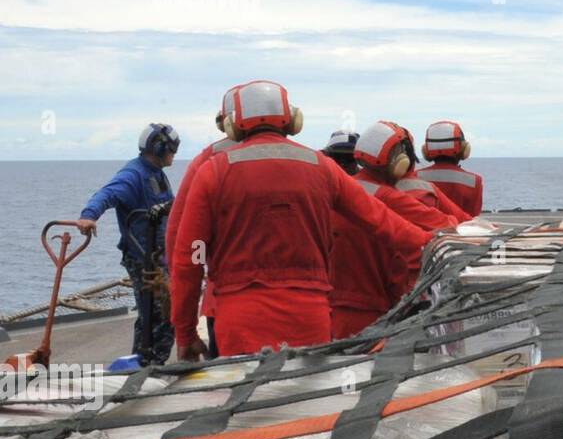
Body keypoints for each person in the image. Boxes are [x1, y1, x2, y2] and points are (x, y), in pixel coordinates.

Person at [169, 81, 430, 359]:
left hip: (240, 319)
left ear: (233, 126)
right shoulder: (321, 167)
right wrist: (434, 240)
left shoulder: (212, 172)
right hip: (309, 316)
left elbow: (190, 257)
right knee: (307, 401)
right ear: (293, 119)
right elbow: (381, 221)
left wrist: (185, 333)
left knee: (249, 400)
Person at [329, 121, 457, 339]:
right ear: (398, 161)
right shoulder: (389, 197)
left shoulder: (343, 188)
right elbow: (448, 227)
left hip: (334, 305)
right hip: (375, 309)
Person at [77, 122, 180, 363]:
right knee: (160, 313)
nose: (174, 154)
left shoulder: (156, 173)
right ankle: (148, 364)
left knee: (155, 312)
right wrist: (88, 216)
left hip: (159, 256)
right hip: (143, 257)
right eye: (172, 149)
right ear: (159, 148)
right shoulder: (133, 175)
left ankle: (145, 362)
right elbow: (107, 193)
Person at [166, 88, 239, 359]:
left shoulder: (208, 163)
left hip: (229, 311)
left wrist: (185, 333)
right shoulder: (312, 163)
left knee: (228, 392)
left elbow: (185, 253)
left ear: (226, 122)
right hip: (309, 313)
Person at [416, 120, 483, 217]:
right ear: (464, 149)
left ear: (426, 150)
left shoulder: (415, 178)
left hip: (422, 232)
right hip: (459, 231)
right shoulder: (474, 181)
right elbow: (472, 219)